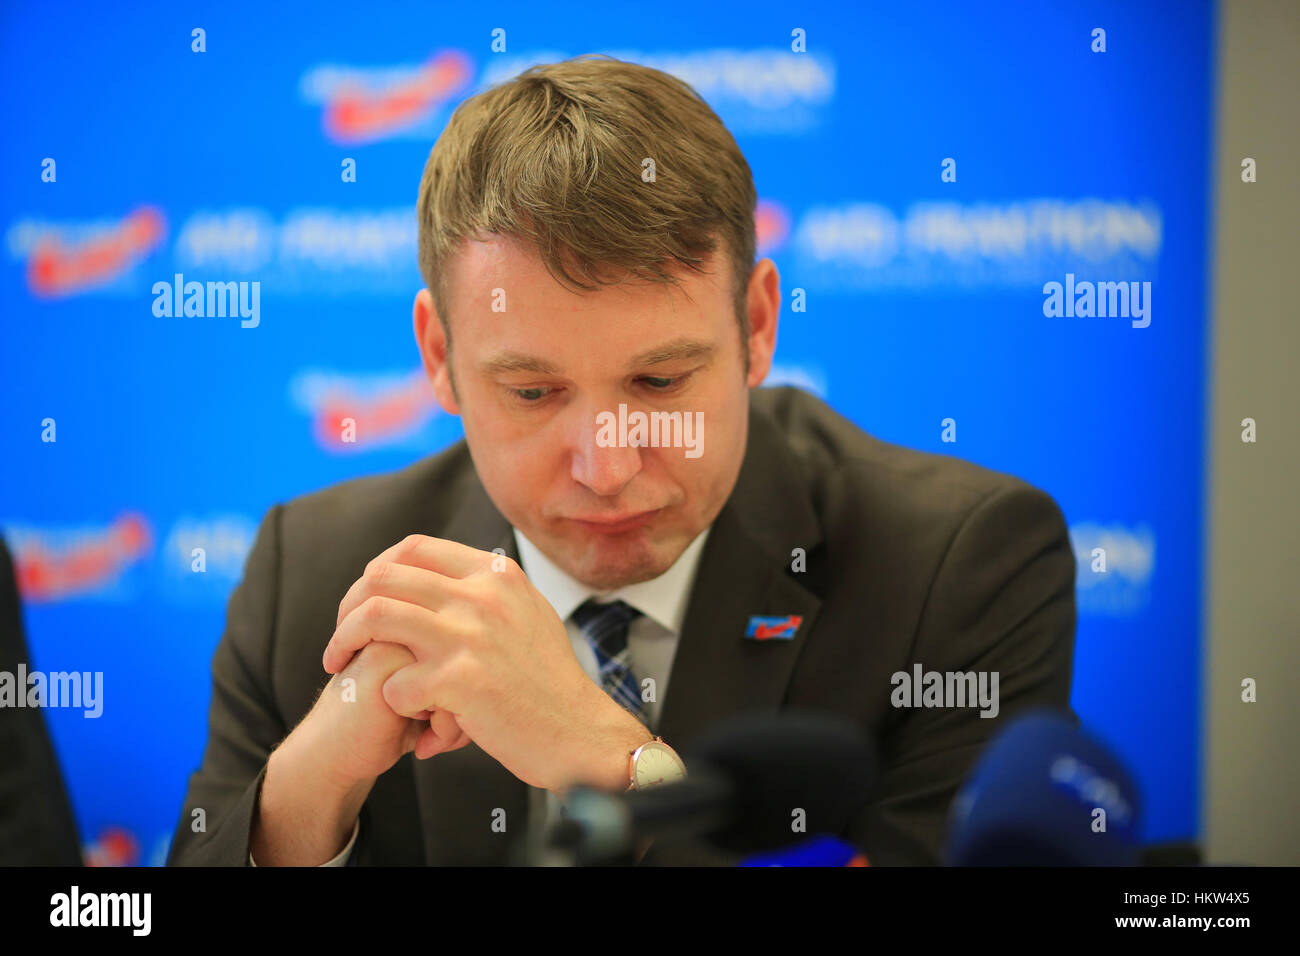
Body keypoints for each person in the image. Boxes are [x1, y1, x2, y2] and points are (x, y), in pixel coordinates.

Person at [168, 55, 1076, 867]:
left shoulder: (957, 566)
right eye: (532, 393)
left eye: (658, 380)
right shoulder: (320, 572)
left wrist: (613, 761)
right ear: (439, 358)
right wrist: (306, 799)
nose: (605, 468)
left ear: (756, 326)